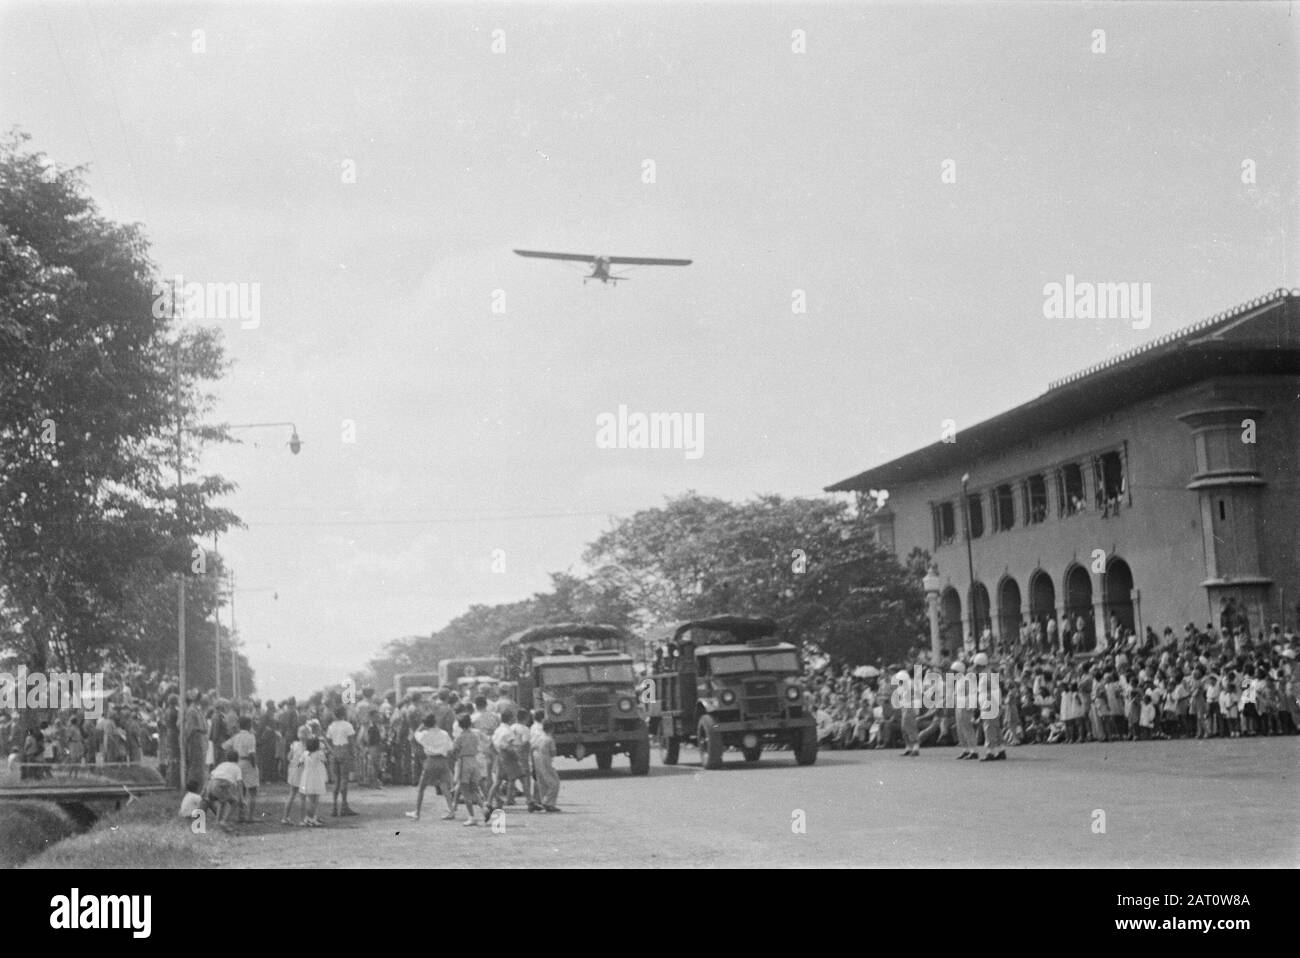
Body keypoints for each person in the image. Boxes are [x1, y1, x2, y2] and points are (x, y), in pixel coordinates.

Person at [405, 713, 455, 822]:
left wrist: (421, 725)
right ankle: (451, 810)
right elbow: (451, 748)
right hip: (442, 760)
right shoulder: (444, 733)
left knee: (422, 788)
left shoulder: (424, 734)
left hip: (431, 760)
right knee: (444, 786)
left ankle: (417, 812)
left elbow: (415, 734)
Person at [223, 716, 259, 823]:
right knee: (253, 791)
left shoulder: (236, 737)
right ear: (249, 725)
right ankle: (250, 817)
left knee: (241, 790)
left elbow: (224, 746)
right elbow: (252, 753)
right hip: (248, 762)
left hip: (237, 762)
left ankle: (241, 815)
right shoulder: (250, 736)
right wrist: (254, 765)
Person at [450, 713, 483, 826]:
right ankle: (485, 809)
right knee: (474, 789)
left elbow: (454, 750)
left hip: (463, 761)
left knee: (465, 790)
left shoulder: (459, 737)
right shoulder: (475, 735)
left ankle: (471, 816)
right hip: (474, 760)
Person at [325, 706, 357, 817]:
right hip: (344, 750)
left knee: (336, 780)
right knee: (344, 779)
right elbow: (352, 741)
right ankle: (344, 806)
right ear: (344, 714)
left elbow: (327, 741)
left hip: (334, 750)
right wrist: (353, 753)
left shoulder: (331, 726)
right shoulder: (347, 725)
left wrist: (332, 751)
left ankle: (334, 806)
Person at [205, 749, 244, 827]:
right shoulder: (237, 768)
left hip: (211, 784)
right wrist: (242, 798)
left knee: (222, 801)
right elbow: (240, 783)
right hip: (219, 785)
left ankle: (217, 821)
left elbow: (210, 775)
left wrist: (205, 790)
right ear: (238, 759)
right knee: (234, 802)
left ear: (227, 758)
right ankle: (224, 821)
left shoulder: (222, 764)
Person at [533, 720, 561, 812]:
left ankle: (544, 800)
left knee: (542, 783)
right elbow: (553, 753)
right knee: (554, 782)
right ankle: (548, 803)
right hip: (546, 761)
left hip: (537, 760)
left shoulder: (538, 737)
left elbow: (532, 748)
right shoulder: (550, 739)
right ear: (552, 728)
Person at [298, 737, 327, 827]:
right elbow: (325, 760)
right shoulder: (319, 753)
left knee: (310, 800)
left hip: (307, 777)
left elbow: (299, 764)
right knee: (315, 800)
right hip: (316, 778)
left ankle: (309, 818)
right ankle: (311, 818)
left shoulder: (305, 753)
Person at [282, 734, 307, 825]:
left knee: (291, 794)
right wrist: (299, 767)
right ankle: (302, 819)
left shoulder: (295, 744)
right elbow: (301, 762)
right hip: (301, 772)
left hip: (293, 770)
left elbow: (288, 757)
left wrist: (293, 764)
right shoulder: (306, 747)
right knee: (302, 796)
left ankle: (285, 817)